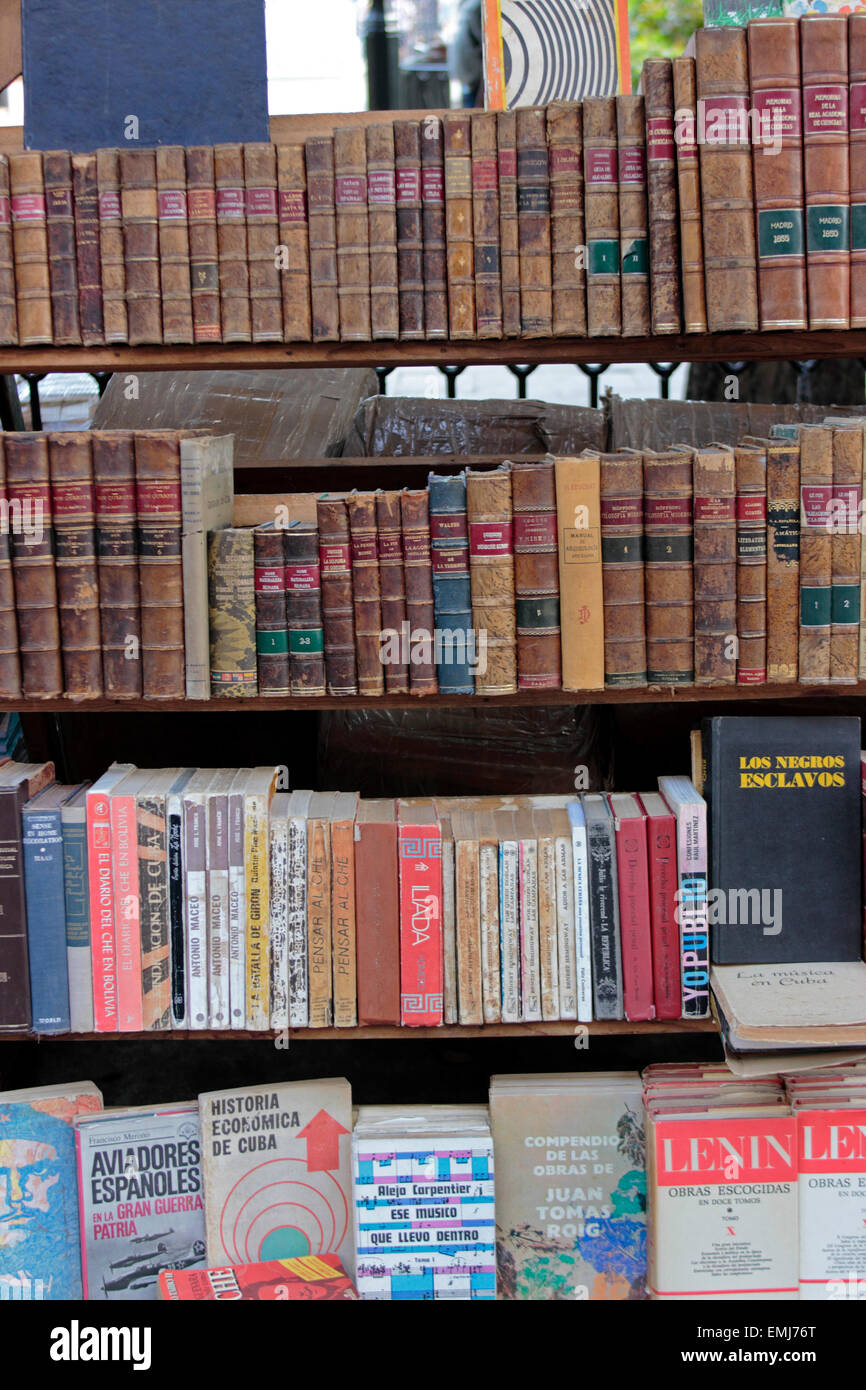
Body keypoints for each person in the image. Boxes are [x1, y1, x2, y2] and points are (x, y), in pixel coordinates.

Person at [450, 0, 483, 107]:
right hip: (470, 79)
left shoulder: (477, 7)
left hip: (478, 80)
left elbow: (487, 45)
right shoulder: (470, 6)